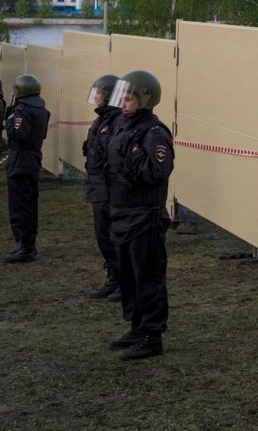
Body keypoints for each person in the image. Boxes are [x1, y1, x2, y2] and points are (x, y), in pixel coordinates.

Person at [104, 70, 174, 360]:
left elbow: (157, 172)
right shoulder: (123, 125)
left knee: (147, 276)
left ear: (145, 98)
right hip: (122, 212)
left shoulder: (154, 132)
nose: (124, 102)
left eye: (130, 97)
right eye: (123, 96)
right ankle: (137, 326)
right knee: (129, 277)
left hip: (145, 215)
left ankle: (151, 336)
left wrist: (133, 153)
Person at [3, 74, 50, 263]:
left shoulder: (22, 110)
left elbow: (18, 134)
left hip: (21, 159)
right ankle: (27, 243)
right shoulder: (41, 109)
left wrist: (9, 121)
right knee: (30, 203)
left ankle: (25, 246)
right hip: (33, 158)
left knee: (20, 205)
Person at [83, 74, 122, 298]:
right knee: (103, 237)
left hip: (110, 190)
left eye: (98, 93)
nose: (95, 97)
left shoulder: (116, 122)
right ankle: (113, 278)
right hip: (98, 187)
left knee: (114, 236)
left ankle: (122, 282)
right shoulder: (102, 121)